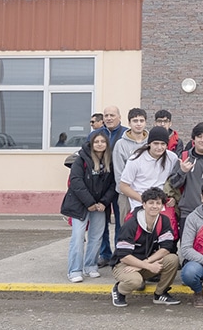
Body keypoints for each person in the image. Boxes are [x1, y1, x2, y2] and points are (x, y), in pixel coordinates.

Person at [110, 188, 180, 307]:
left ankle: (160, 294)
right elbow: (123, 255)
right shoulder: (131, 223)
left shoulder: (164, 221)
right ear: (144, 204)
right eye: (151, 203)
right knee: (135, 281)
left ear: (162, 206)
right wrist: (147, 266)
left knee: (172, 259)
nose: (154, 206)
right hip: (124, 264)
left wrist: (146, 263)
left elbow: (166, 248)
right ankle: (119, 290)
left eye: (158, 203)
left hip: (146, 261)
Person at [62, 130, 116, 282]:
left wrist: (104, 202)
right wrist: (90, 203)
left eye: (103, 142)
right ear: (91, 144)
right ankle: (74, 270)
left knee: (96, 237)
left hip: (100, 206)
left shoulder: (109, 161)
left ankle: (90, 266)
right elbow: (76, 182)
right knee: (78, 237)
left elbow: (113, 184)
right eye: (96, 142)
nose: (100, 144)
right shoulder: (80, 159)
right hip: (80, 204)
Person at [118, 126, 179, 215]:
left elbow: (173, 181)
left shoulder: (172, 158)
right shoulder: (135, 160)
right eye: (156, 143)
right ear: (149, 143)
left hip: (162, 203)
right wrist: (144, 200)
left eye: (163, 144)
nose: (159, 147)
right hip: (139, 203)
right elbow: (124, 186)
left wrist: (172, 197)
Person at [94, 105, 127, 266]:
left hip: (121, 186)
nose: (108, 118)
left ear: (119, 117)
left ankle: (119, 254)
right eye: (106, 115)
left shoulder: (126, 134)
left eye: (112, 115)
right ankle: (104, 254)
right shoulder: (95, 135)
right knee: (102, 223)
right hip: (101, 186)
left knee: (121, 223)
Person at [112, 108, 148, 223]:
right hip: (126, 195)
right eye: (135, 121)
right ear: (129, 123)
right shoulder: (120, 144)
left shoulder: (151, 143)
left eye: (141, 121)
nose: (138, 124)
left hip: (148, 194)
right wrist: (126, 191)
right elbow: (118, 172)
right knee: (127, 229)